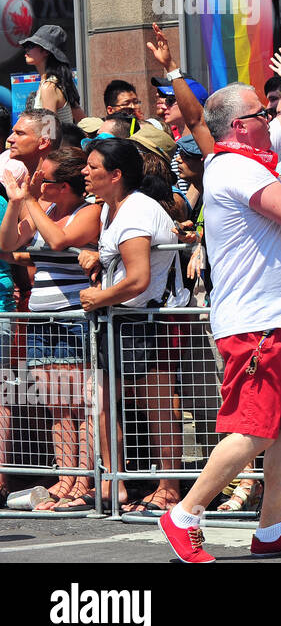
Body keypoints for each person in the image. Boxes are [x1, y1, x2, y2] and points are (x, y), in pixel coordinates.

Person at [149, 15, 281, 563]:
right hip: (254, 325)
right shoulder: (234, 170)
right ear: (238, 125)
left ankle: (270, 530)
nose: (273, 116)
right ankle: (185, 512)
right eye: (260, 113)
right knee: (254, 430)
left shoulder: (253, 149)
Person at [76, 138, 185, 515]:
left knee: (155, 406)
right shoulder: (113, 210)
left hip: (142, 320)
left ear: (116, 174)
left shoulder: (137, 211)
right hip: (122, 321)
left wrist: (97, 297)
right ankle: (115, 484)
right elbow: (124, 266)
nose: (85, 173)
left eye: (92, 167)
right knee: (104, 403)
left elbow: (138, 279)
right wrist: (97, 260)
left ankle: (168, 489)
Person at [0, 148, 99, 511]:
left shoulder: (88, 211)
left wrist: (31, 201)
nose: (37, 182)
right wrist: (16, 203)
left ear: (66, 186)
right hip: (43, 319)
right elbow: (7, 244)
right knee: (56, 404)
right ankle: (65, 476)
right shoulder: (46, 210)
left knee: (81, 402)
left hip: (73, 317)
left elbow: (58, 241)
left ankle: (85, 480)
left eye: (45, 178)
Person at [21, 25, 82, 125]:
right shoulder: (56, 82)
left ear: (45, 51)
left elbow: (49, 130)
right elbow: (82, 120)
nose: (26, 49)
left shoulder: (49, 87)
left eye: (31, 45)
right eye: (26, 46)